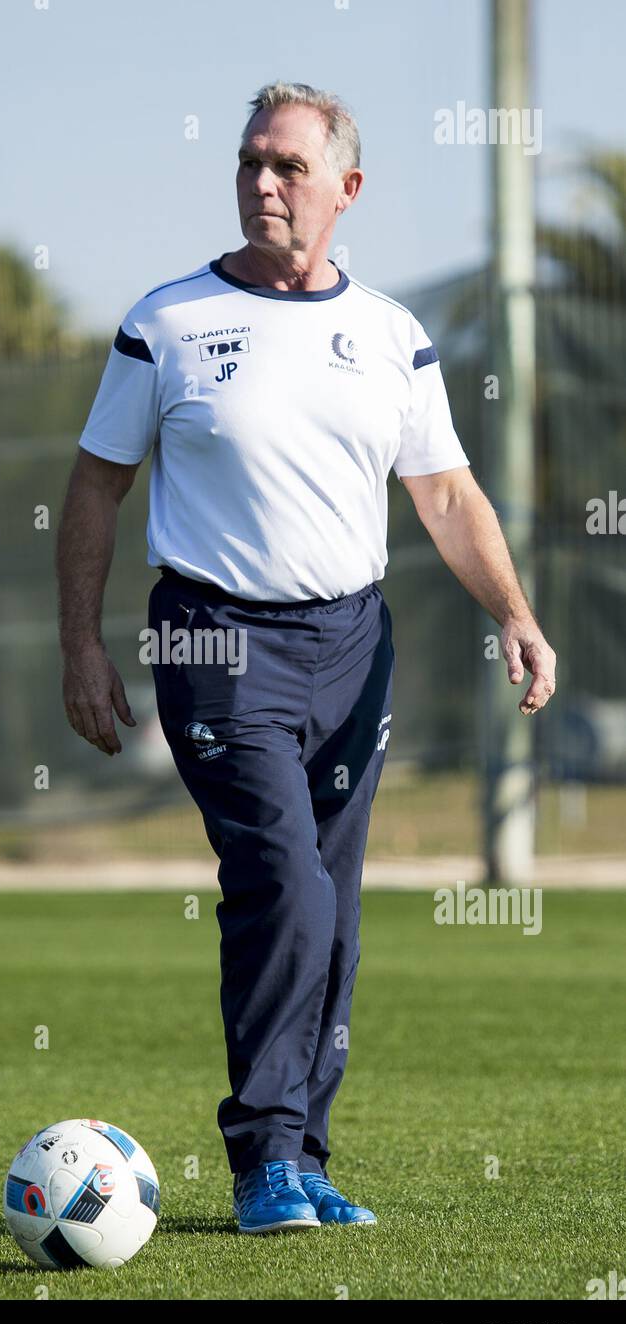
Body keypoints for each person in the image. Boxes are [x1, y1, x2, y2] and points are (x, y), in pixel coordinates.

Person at [56, 80, 556, 1235]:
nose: (262, 182)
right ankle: (262, 1160)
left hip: (352, 643)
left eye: (287, 165)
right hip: (214, 636)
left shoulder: (389, 335)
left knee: (332, 905)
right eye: (249, 161)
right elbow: (94, 484)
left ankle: (306, 1154)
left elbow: (445, 493)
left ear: (346, 187)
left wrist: (514, 615)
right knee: (281, 881)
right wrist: (78, 642)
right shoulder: (167, 322)